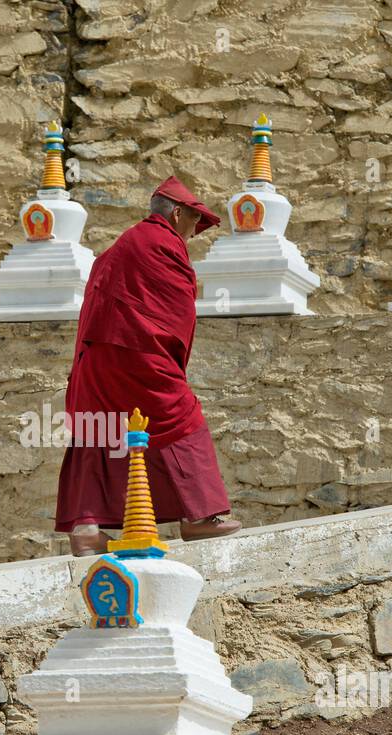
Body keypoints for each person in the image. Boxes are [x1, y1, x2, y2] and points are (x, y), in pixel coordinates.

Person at [55, 176, 241, 556]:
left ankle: (88, 528)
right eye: (192, 221)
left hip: (94, 361)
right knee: (181, 416)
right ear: (176, 213)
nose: (192, 232)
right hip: (136, 356)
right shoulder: (163, 245)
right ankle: (199, 516)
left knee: (100, 429)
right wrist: (172, 363)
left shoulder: (121, 245)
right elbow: (176, 314)